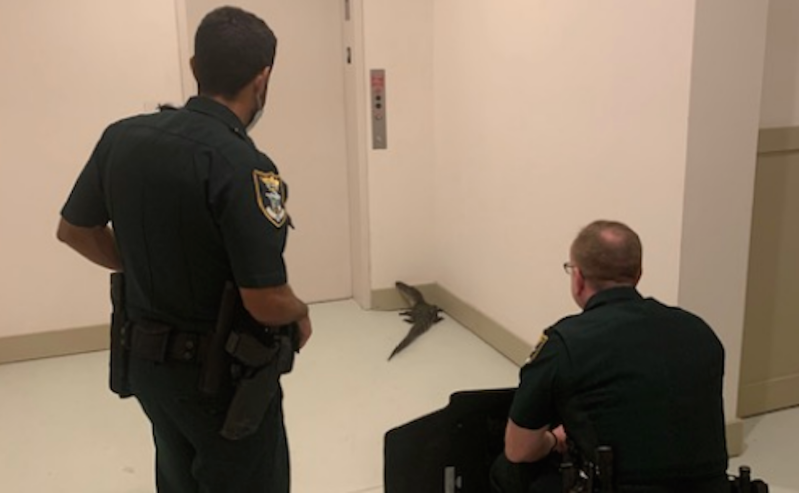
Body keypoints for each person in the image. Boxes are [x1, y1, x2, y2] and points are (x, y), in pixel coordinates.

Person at [56, 7, 310, 493]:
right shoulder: (243, 165)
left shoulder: (122, 137)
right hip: (222, 383)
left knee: (177, 479)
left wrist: (145, 264)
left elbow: (74, 229)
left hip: (147, 365)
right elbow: (265, 299)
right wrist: (300, 310)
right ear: (263, 79)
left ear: (196, 67)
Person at [491, 220, 729, 493]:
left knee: (507, 471)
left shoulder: (564, 343)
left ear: (578, 279)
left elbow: (519, 449)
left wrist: (554, 441)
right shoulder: (699, 331)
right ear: (638, 274)